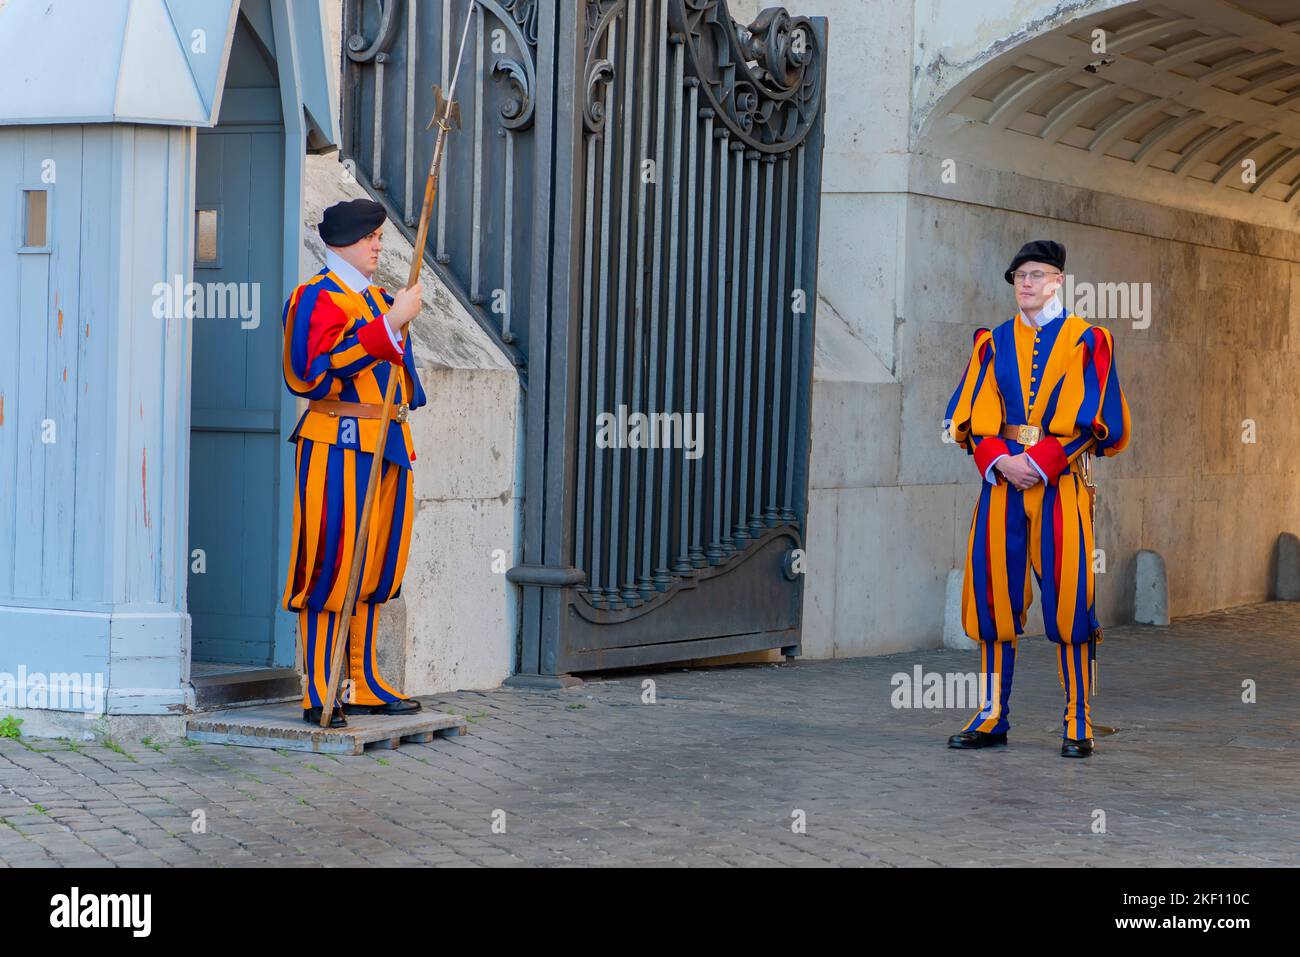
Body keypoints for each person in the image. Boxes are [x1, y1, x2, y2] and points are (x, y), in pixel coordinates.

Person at [944, 240, 1131, 758]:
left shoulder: (1088, 341)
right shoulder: (992, 342)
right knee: (993, 599)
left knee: (1070, 603)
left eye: (1037, 274)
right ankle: (992, 714)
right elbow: (969, 415)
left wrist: (1042, 462)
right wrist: (1000, 460)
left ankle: (1077, 719)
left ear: (1059, 281)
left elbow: (1100, 419)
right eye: (1019, 275)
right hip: (1001, 485)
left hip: (1061, 486)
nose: (1026, 283)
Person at [280, 198, 427, 727]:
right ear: (344, 240)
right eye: (370, 237)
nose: (378, 245)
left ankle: (363, 681)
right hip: (336, 442)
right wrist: (387, 327)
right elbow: (307, 374)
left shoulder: (379, 298)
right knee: (330, 564)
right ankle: (319, 689)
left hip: (386, 441)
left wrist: (390, 321)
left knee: (377, 566)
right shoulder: (315, 297)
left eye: (379, 237)